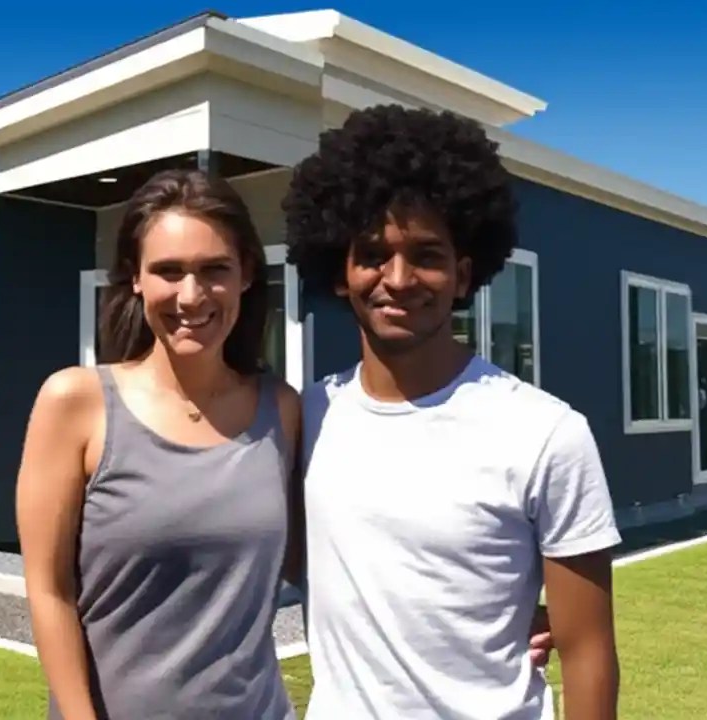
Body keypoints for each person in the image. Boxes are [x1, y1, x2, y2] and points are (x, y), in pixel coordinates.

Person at [284, 105, 622, 719]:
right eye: (372, 253)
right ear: (341, 272)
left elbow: (589, 649)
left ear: (465, 275)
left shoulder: (546, 433)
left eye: (427, 254)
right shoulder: (303, 418)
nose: (399, 277)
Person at [15, 168, 300, 720]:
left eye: (215, 269)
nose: (191, 295)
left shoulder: (281, 410)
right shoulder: (75, 403)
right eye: (168, 271)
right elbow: (50, 592)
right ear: (136, 279)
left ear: (245, 275)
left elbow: (329, 559)